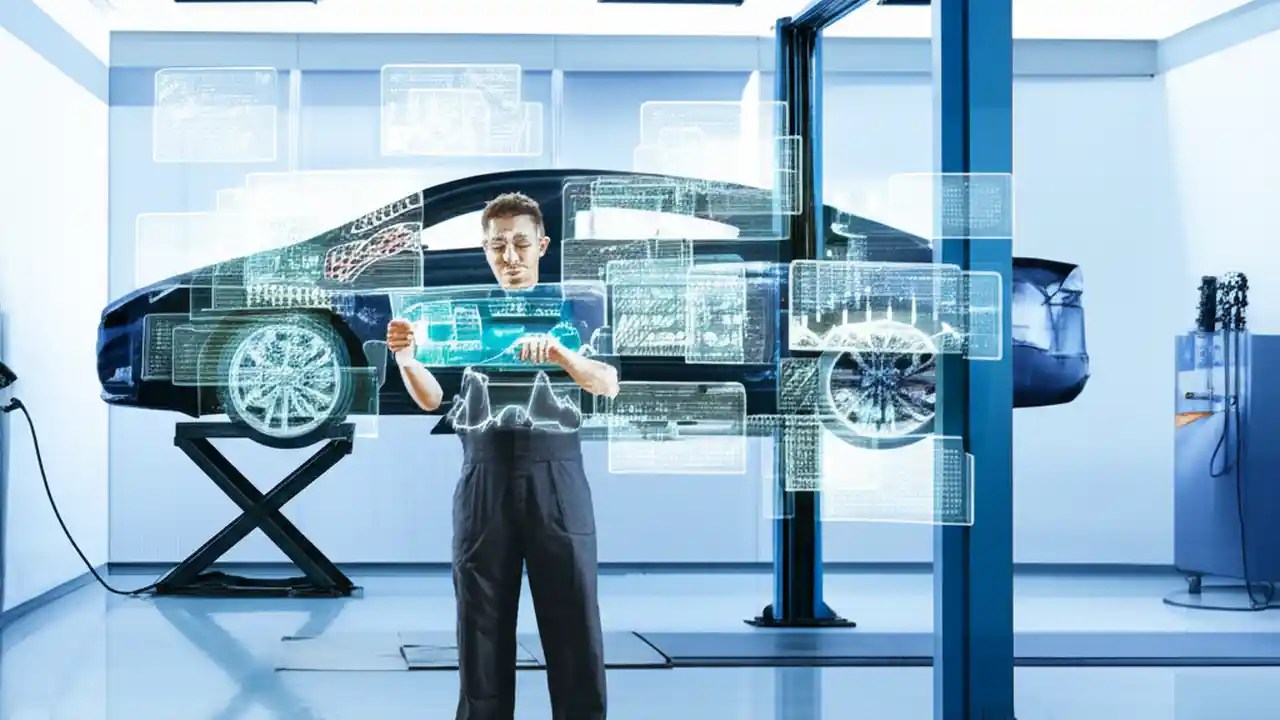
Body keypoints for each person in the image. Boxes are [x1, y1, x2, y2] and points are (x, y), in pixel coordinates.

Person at [385, 192, 617, 720]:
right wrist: (405, 358)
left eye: (519, 243)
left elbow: (607, 383)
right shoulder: (459, 321)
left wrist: (560, 353)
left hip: (557, 476)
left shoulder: (576, 310)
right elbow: (431, 399)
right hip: (482, 475)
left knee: (573, 617)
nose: (509, 256)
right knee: (480, 621)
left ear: (542, 244)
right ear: (485, 250)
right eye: (497, 246)